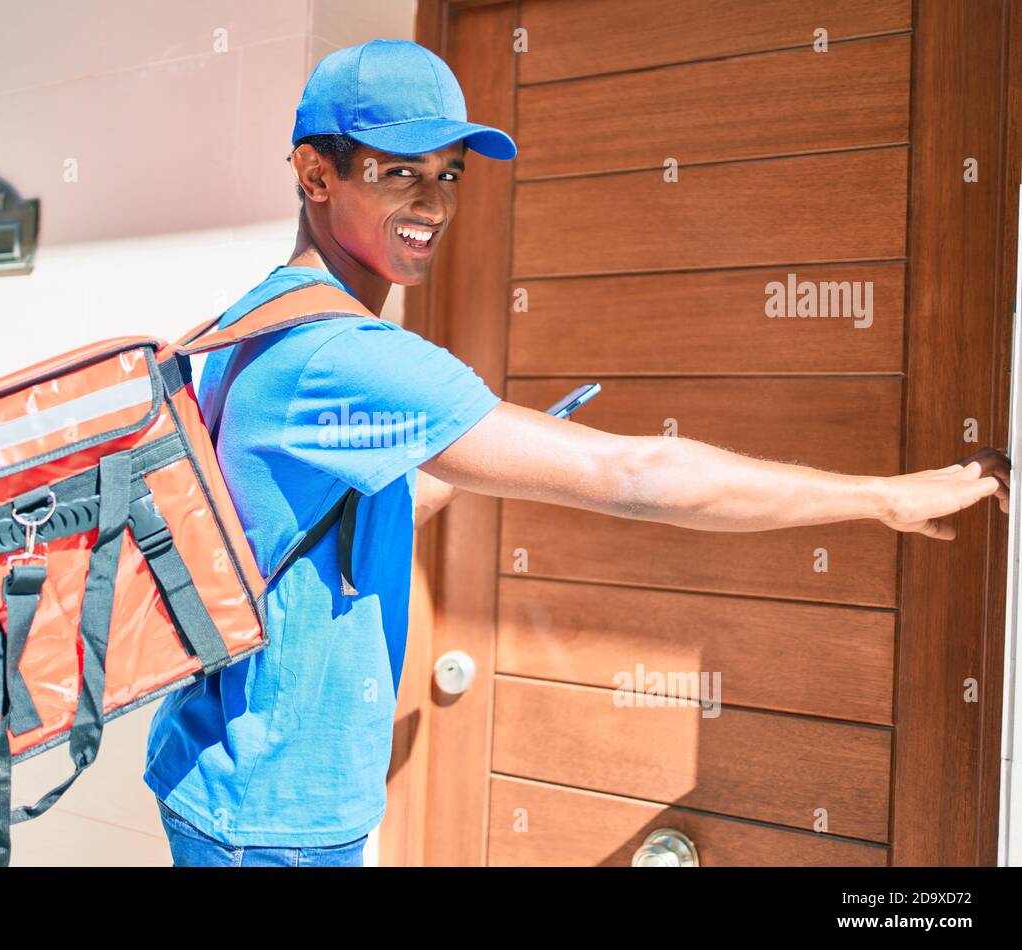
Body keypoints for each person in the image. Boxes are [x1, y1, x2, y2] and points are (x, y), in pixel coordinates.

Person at [143, 39, 1011, 868]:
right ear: (314, 171)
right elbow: (631, 475)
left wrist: (476, 464)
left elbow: (309, 516)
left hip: (220, 769)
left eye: (449, 174)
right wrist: (885, 498)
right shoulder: (345, 353)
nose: (435, 204)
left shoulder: (258, 319)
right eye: (399, 170)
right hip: (279, 811)